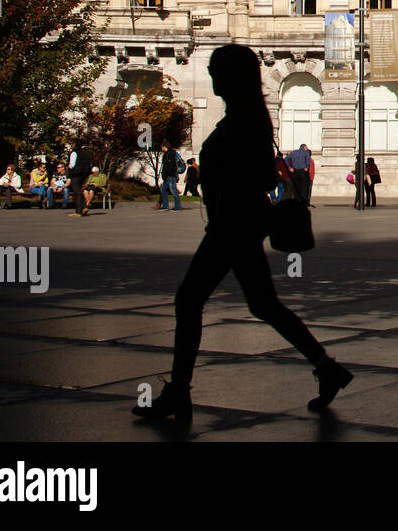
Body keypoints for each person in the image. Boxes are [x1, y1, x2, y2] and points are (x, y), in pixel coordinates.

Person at [133, 43, 351, 422]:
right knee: (262, 305)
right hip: (237, 224)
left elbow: (263, 175)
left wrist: (221, 177)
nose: (213, 78)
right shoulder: (244, 114)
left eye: (218, 72)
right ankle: (326, 367)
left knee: (189, 300)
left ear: (232, 77)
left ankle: (179, 393)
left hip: (233, 225)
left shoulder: (248, 118)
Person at [68, 140, 91, 217]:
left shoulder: (74, 153)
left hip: (76, 174)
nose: (71, 145)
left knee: (77, 192)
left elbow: (72, 165)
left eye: (72, 143)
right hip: (84, 174)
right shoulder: (86, 153)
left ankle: (78, 211)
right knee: (80, 191)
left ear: (75, 144)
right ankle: (84, 207)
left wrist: (69, 170)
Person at [158, 141, 182, 211]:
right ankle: (165, 206)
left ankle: (177, 207)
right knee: (163, 189)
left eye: (162, 147)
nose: (161, 149)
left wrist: (166, 174)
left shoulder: (170, 154)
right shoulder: (168, 153)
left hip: (171, 175)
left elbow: (170, 166)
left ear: (164, 147)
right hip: (168, 176)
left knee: (173, 191)